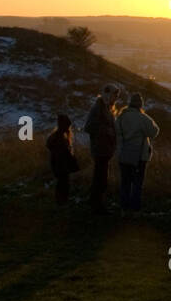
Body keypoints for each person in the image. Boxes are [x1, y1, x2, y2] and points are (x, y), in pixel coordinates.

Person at [116, 93, 160, 212]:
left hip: (124, 155)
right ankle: (135, 208)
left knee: (125, 183)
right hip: (139, 156)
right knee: (137, 184)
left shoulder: (121, 117)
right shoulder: (143, 118)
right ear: (140, 105)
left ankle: (124, 207)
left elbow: (116, 133)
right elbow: (155, 131)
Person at [83, 84, 120, 213]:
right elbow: (88, 127)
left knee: (100, 178)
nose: (116, 99)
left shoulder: (106, 108)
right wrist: (107, 131)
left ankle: (95, 202)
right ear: (108, 95)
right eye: (115, 95)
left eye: (117, 96)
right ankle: (97, 205)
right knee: (101, 179)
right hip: (100, 149)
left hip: (105, 150)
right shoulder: (98, 108)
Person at [45, 114, 79, 205]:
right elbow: (63, 153)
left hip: (59, 164)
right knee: (63, 182)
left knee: (62, 182)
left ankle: (61, 200)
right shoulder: (58, 138)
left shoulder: (58, 136)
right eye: (67, 125)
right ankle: (61, 201)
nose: (68, 128)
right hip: (60, 164)